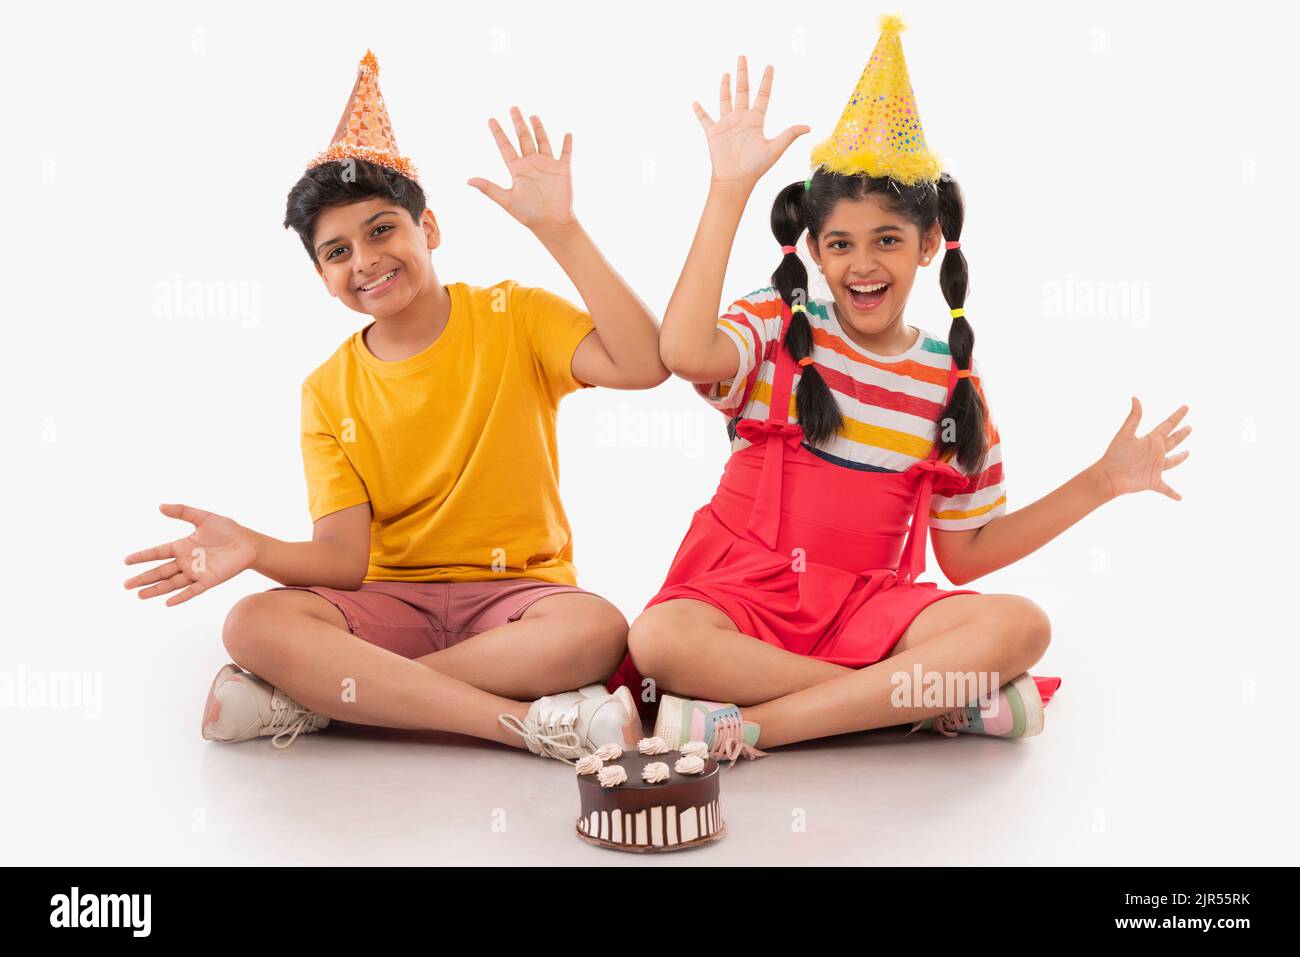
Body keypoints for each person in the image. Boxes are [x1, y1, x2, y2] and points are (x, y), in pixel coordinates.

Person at [609, 17, 1190, 763]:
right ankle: (903, 704)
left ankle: (764, 723)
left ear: (926, 245)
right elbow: (684, 351)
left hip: (867, 607)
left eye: (887, 239)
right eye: (841, 243)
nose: (863, 263)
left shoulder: (952, 384)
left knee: (1022, 626)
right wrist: (728, 190)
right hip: (741, 592)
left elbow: (967, 556)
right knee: (661, 639)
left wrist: (1100, 483)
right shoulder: (777, 320)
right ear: (813, 251)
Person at [123, 51, 668, 762]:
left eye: (383, 230)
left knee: (596, 629)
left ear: (428, 229)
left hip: (518, 601)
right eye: (337, 251)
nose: (366, 262)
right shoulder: (327, 389)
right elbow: (341, 561)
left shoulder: (514, 314)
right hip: (388, 606)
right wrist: (255, 548)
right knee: (254, 623)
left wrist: (560, 231)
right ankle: (522, 724)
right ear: (323, 278)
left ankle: (323, 704)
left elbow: (643, 362)